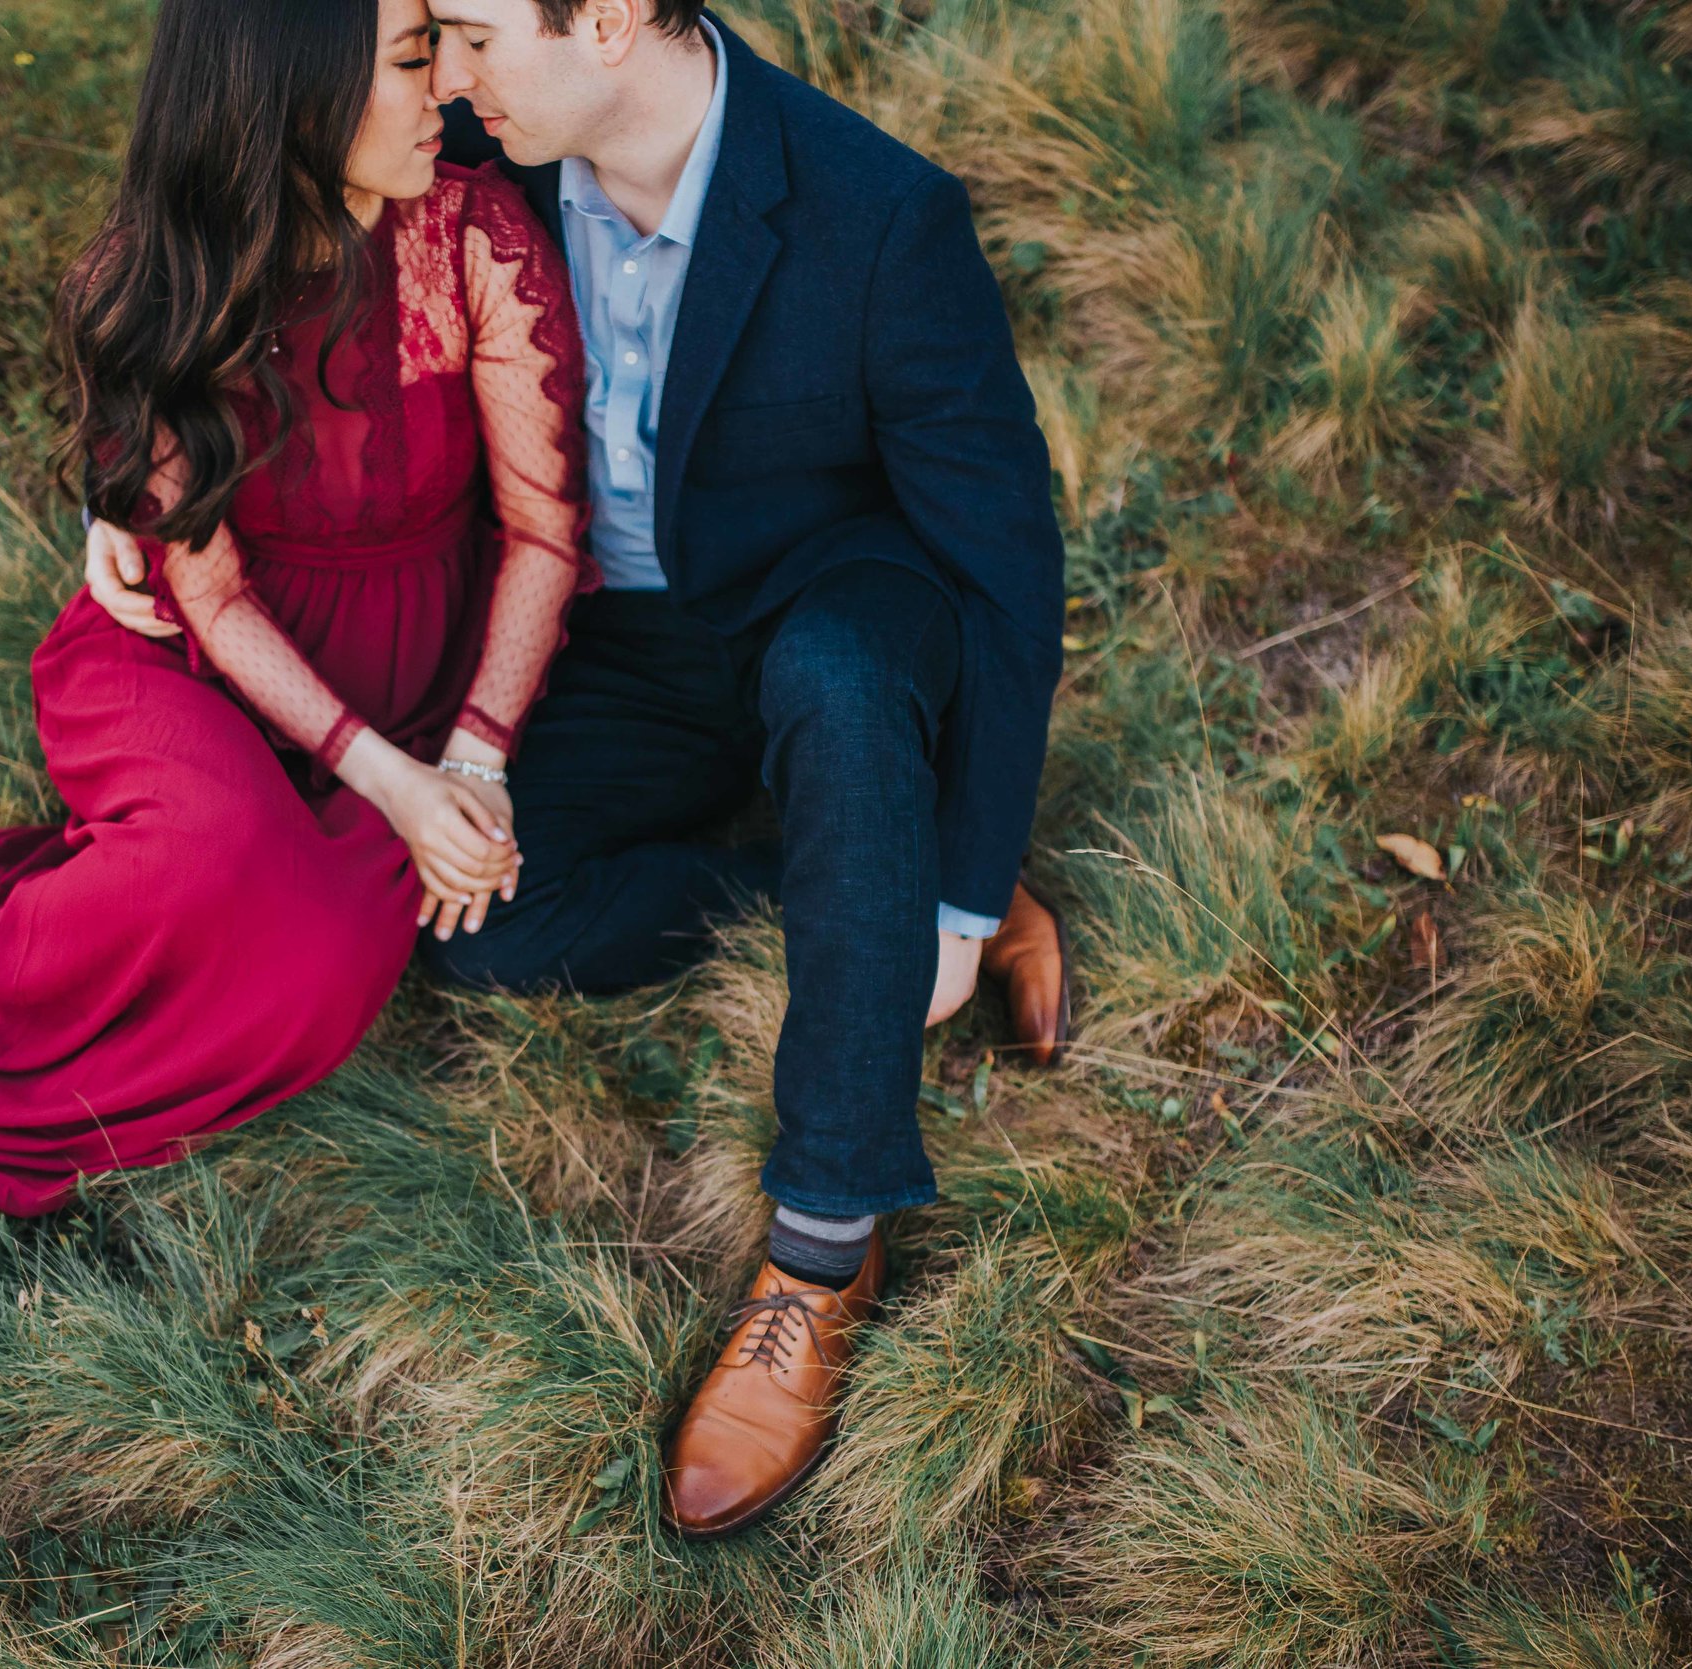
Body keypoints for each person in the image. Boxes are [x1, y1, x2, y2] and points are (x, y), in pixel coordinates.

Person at [85, 0, 1073, 1537]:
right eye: (437, 49)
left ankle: (820, 1247)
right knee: (477, 922)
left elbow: (1006, 567)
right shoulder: (469, 141)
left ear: (605, 20)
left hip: (833, 606)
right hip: (610, 635)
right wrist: (132, 488)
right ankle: (845, 887)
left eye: (469, 35)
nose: (445, 76)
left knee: (843, 676)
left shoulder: (882, 215)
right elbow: (231, 203)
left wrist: (953, 882)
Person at [0, 0, 591, 1245]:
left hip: (410, 677)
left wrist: (465, 762)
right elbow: (205, 592)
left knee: (321, 973)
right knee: (205, 858)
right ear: (295, 94)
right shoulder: (153, 282)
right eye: (411, 61)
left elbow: (542, 530)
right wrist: (387, 783)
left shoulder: (473, 234)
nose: (450, 93)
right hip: (191, 655)